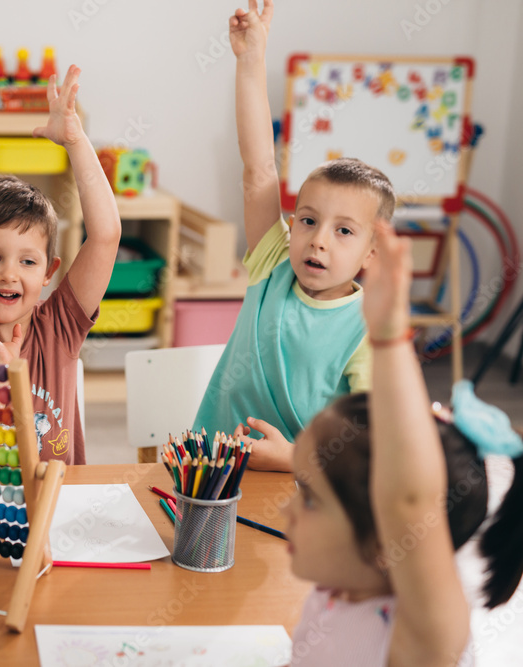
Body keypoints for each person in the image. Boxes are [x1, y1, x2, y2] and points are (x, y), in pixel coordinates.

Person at [285, 221, 523, 665]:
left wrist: (389, 338)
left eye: (312, 500)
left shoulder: (418, 641)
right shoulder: (338, 588)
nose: (287, 511)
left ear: (387, 539)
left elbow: (408, 501)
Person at [192, 0, 395, 472]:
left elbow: (371, 448)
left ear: (371, 250)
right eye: (307, 220)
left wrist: (293, 458)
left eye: (343, 231)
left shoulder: (367, 330)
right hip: (209, 471)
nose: (317, 240)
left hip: (304, 495)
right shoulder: (273, 262)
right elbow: (258, 167)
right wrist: (251, 61)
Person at [0, 65, 121, 469]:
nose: (10, 274)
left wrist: (76, 142)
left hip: (63, 509)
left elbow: (106, 235)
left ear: (49, 272)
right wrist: (3, 375)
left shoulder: (60, 325)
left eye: (28, 261)